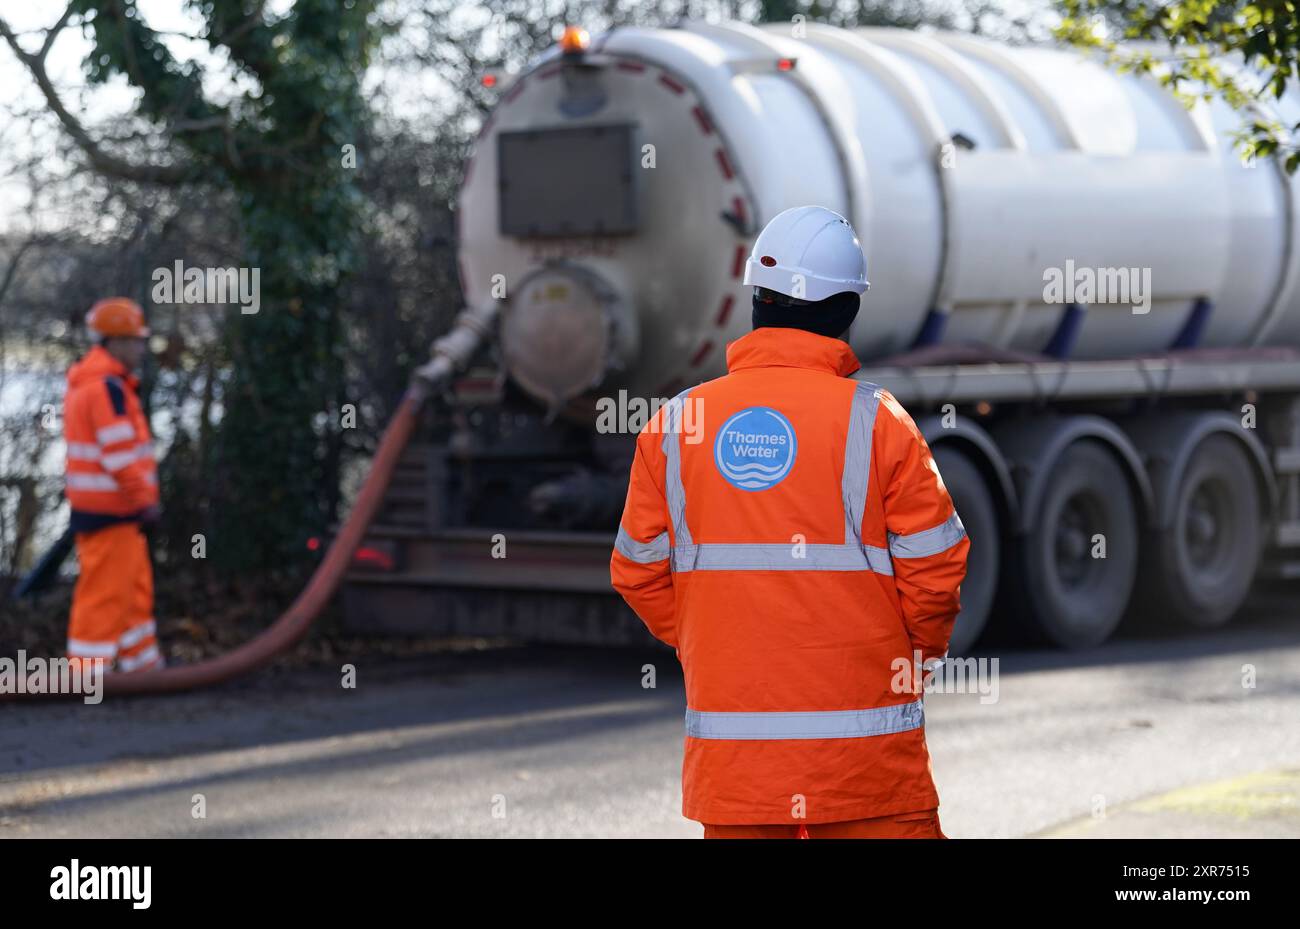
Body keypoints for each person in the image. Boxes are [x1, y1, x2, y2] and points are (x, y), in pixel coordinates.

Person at [610, 205, 969, 838]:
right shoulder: (879, 421)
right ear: (846, 315)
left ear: (756, 302)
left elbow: (638, 573)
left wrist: (717, 641)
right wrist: (906, 657)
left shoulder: (674, 424)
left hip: (738, 769)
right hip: (867, 762)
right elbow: (935, 572)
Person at [63, 297, 165, 673]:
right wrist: (145, 501)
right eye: (136, 340)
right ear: (116, 342)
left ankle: (144, 669)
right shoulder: (106, 388)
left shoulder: (95, 383)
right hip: (112, 512)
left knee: (133, 595)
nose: (142, 348)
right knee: (105, 597)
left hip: (114, 514)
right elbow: (119, 455)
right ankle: (87, 675)